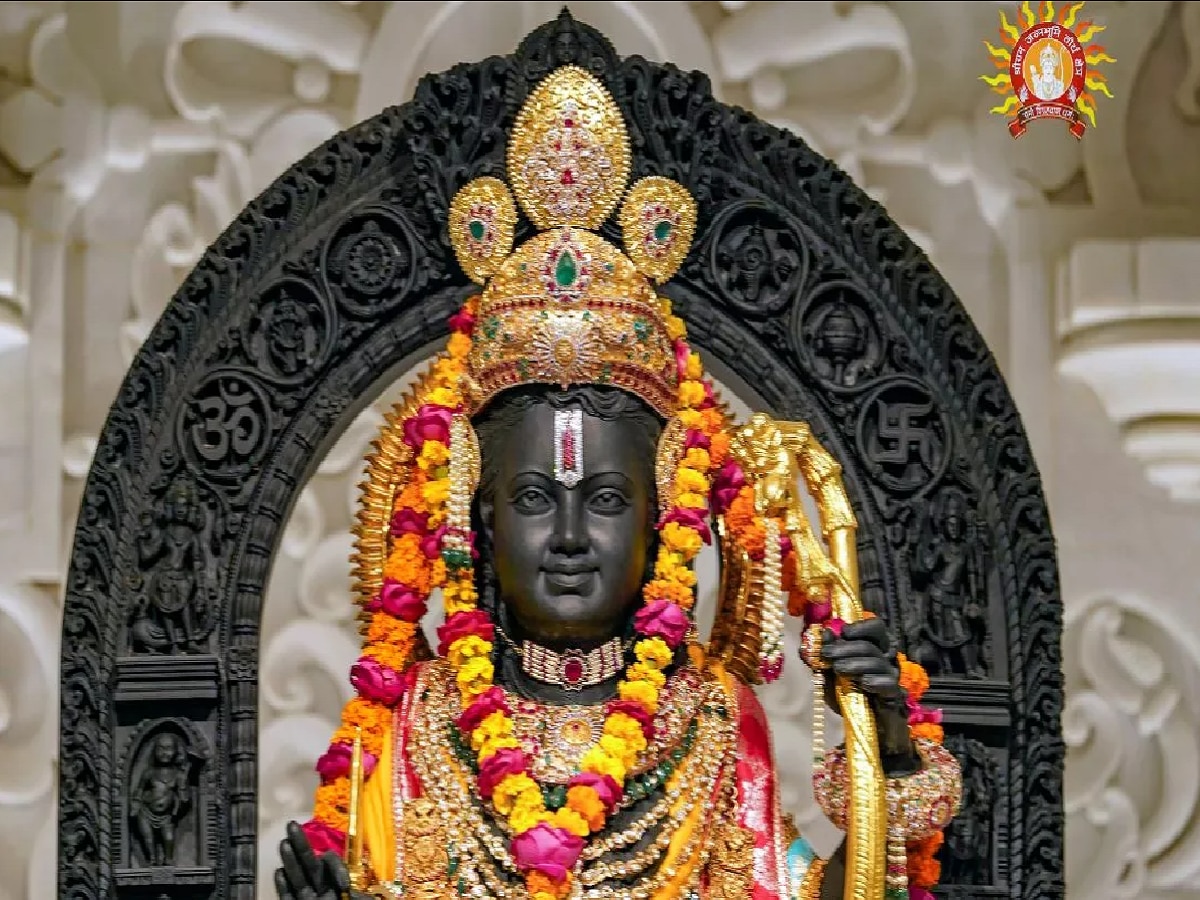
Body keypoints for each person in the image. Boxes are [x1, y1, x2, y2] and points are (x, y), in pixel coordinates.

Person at [273, 65, 961, 900]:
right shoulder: (418, 720)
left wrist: (882, 735)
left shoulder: (707, 723)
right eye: (533, 498)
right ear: (473, 514)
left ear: (665, 515)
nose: (567, 537)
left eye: (604, 500)